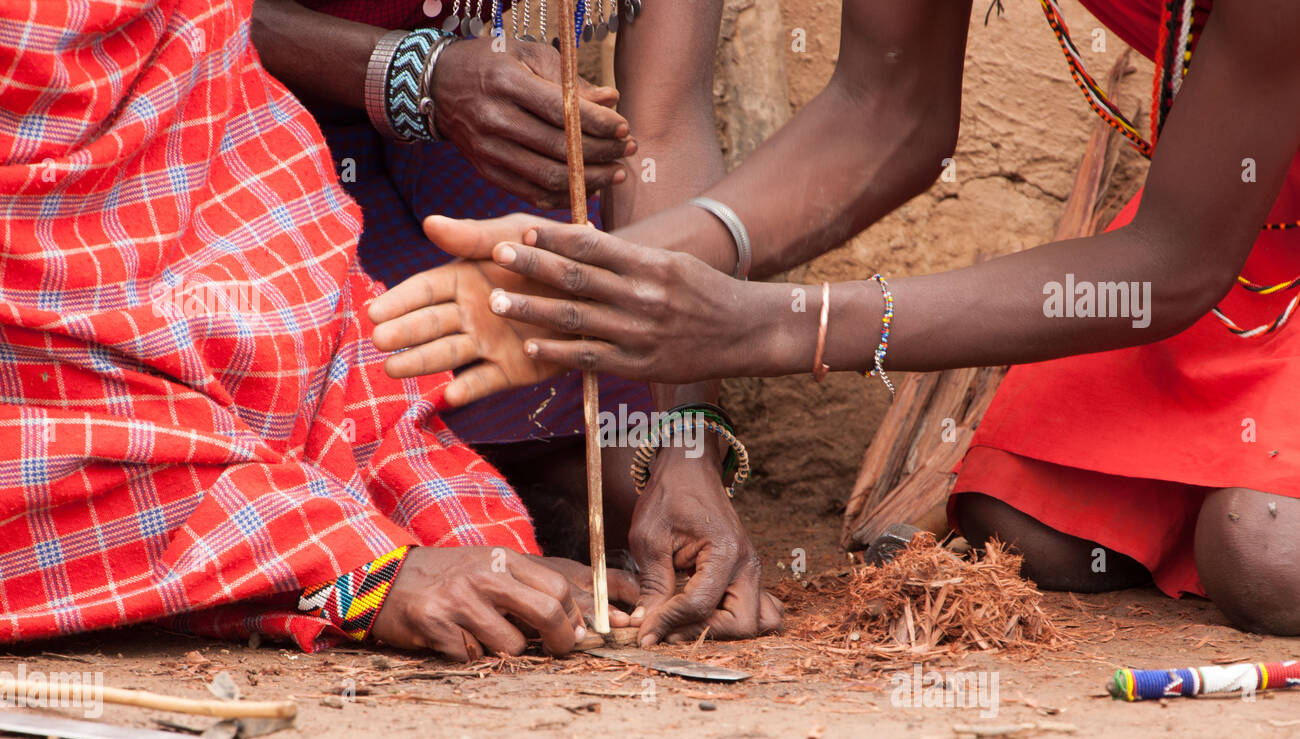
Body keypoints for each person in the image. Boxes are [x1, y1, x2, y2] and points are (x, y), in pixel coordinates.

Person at [368, 0, 1300, 635]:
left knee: (1260, 549)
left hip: (1205, 236)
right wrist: (603, 282)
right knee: (1032, 532)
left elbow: (1171, 265)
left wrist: (768, 326)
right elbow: (883, 114)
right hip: (1252, 210)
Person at [0, 0, 644, 660]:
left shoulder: (196, 40)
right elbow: (45, 467)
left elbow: (340, 378)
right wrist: (359, 578)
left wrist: (481, 544)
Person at [251, 0, 781, 646]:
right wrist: (417, 76)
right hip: (226, 122)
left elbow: (662, 130)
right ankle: (460, 512)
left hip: (463, 140)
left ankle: (519, 476)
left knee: (638, 472)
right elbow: (173, 21)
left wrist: (686, 444)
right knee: (284, 393)